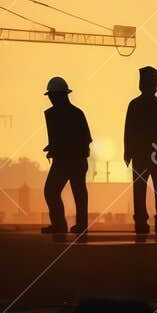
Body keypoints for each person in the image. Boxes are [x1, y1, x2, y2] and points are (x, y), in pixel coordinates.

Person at [124, 65, 157, 235]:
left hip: (140, 155)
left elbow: (128, 130)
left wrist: (128, 152)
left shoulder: (134, 105)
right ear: (154, 86)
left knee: (139, 189)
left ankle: (141, 223)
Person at [42, 76, 92, 234]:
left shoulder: (63, 114)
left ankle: (62, 225)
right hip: (72, 160)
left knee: (54, 191)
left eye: (52, 96)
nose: (50, 99)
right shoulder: (75, 113)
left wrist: (57, 149)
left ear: (59, 96)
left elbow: (84, 139)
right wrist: (53, 148)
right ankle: (70, 225)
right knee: (76, 193)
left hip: (69, 161)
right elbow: (85, 139)